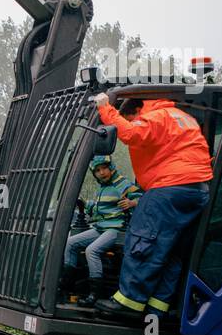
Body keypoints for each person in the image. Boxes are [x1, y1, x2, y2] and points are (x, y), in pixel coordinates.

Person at [88, 93, 213, 320]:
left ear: (135, 111)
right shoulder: (182, 117)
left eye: (129, 117)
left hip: (170, 186)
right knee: (172, 251)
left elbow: (131, 133)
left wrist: (106, 109)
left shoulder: (155, 116)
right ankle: (157, 307)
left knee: (142, 239)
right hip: (197, 190)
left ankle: (129, 302)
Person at [65, 155, 142, 306]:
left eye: (104, 168)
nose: (102, 172)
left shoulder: (122, 183)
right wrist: (83, 203)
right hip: (101, 227)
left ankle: (94, 293)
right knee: (70, 243)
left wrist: (132, 202)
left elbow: (145, 199)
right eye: (97, 170)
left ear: (111, 167)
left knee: (91, 250)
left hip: (116, 229)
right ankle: (67, 285)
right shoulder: (102, 188)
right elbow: (98, 210)